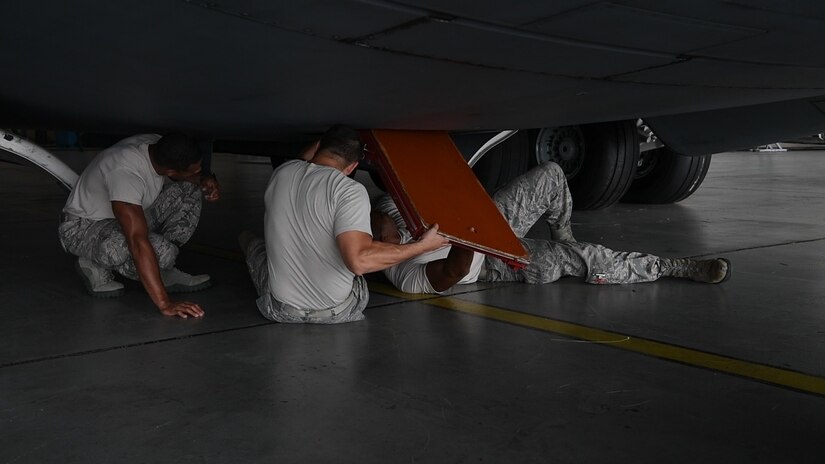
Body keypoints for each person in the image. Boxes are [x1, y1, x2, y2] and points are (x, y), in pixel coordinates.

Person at [371, 161, 731, 294]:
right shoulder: (402, 274)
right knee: (580, 259)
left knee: (552, 174)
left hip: (485, 221)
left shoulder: (388, 208)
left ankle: (565, 233)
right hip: (489, 261)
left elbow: (388, 205)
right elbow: (455, 268)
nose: (386, 234)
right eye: (382, 239)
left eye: (380, 229)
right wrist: (469, 225)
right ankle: (668, 267)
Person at [239, 125, 448, 324]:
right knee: (358, 254)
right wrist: (422, 247)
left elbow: (303, 160)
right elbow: (358, 262)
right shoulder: (349, 191)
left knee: (250, 242)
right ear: (352, 167)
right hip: (336, 312)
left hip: (280, 310)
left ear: (318, 147)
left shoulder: (282, 173)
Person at [58, 133, 220, 318]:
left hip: (122, 214)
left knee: (190, 190)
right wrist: (165, 303)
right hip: (82, 227)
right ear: (170, 172)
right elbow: (137, 241)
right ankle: (93, 262)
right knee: (160, 252)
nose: (198, 174)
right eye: (194, 172)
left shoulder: (157, 145)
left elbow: (186, 177)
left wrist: (204, 179)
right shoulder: (125, 174)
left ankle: (161, 271)